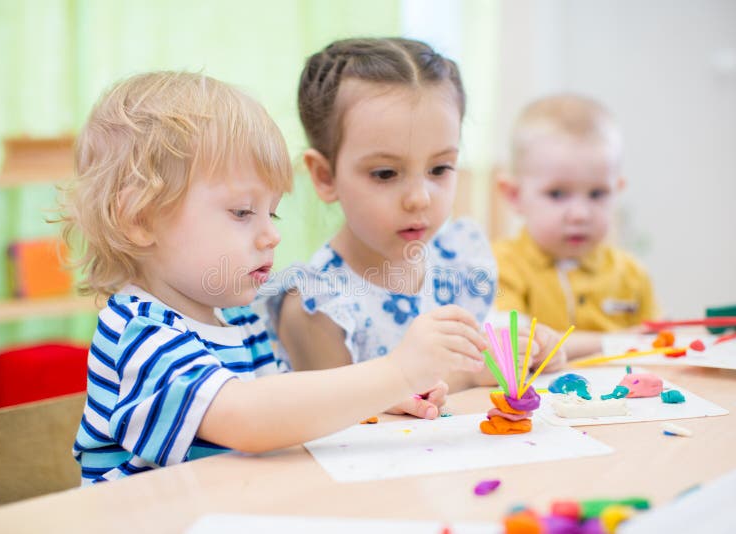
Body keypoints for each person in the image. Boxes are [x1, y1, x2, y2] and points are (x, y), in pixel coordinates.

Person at [59, 71, 488, 484]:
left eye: (272, 211)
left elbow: (291, 409)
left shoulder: (237, 320)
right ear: (139, 219)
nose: (272, 234)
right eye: (243, 212)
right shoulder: (140, 331)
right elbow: (248, 419)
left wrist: (378, 399)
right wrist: (396, 372)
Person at [255, 38, 565, 421]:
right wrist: (476, 369)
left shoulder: (458, 258)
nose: (419, 198)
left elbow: (486, 346)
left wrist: (533, 350)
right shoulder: (316, 305)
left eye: (439, 169)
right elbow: (332, 427)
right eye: (385, 173)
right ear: (324, 175)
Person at [494, 94, 659, 358]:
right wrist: (615, 341)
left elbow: (654, 346)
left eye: (597, 194)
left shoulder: (632, 275)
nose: (580, 214)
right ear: (514, 195)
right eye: (557, 194)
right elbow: (518, 346)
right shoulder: (498, 267)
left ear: (617, 192)